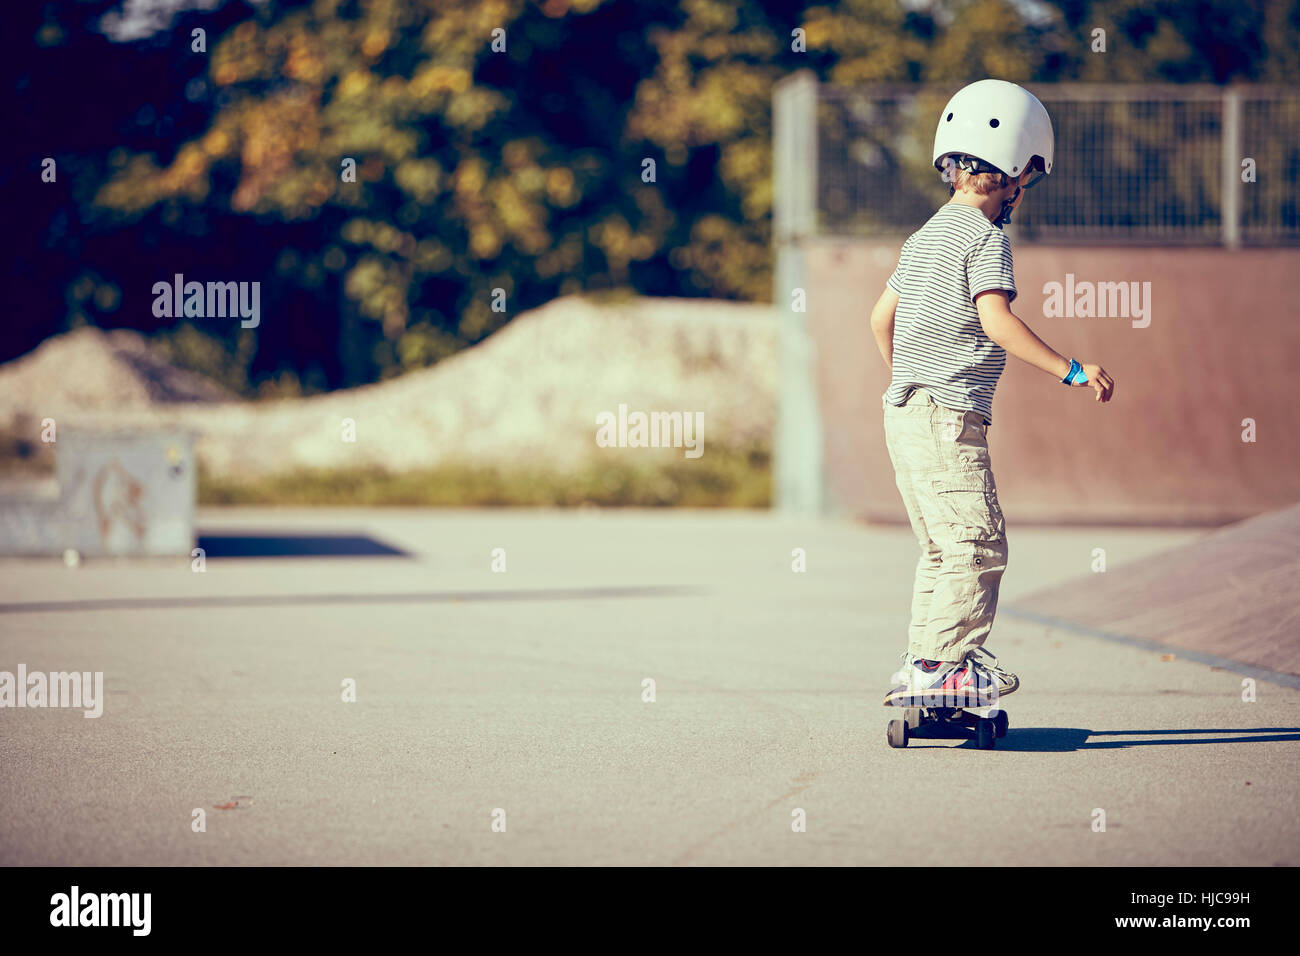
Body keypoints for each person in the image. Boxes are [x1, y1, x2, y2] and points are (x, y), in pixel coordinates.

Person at [870, 79, 1115, 709]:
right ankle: (945, 667)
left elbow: (880, 318)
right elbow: (995, 320)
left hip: (903, 412)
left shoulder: (924, 236)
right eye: (1026, 181)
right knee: (978, 545)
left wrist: (906, 379)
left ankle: (922, 663)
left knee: (941, 549)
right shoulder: (985, 239)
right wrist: (1071, 369)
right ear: (1014, 173)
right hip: (948, 415)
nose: (1022, 193)